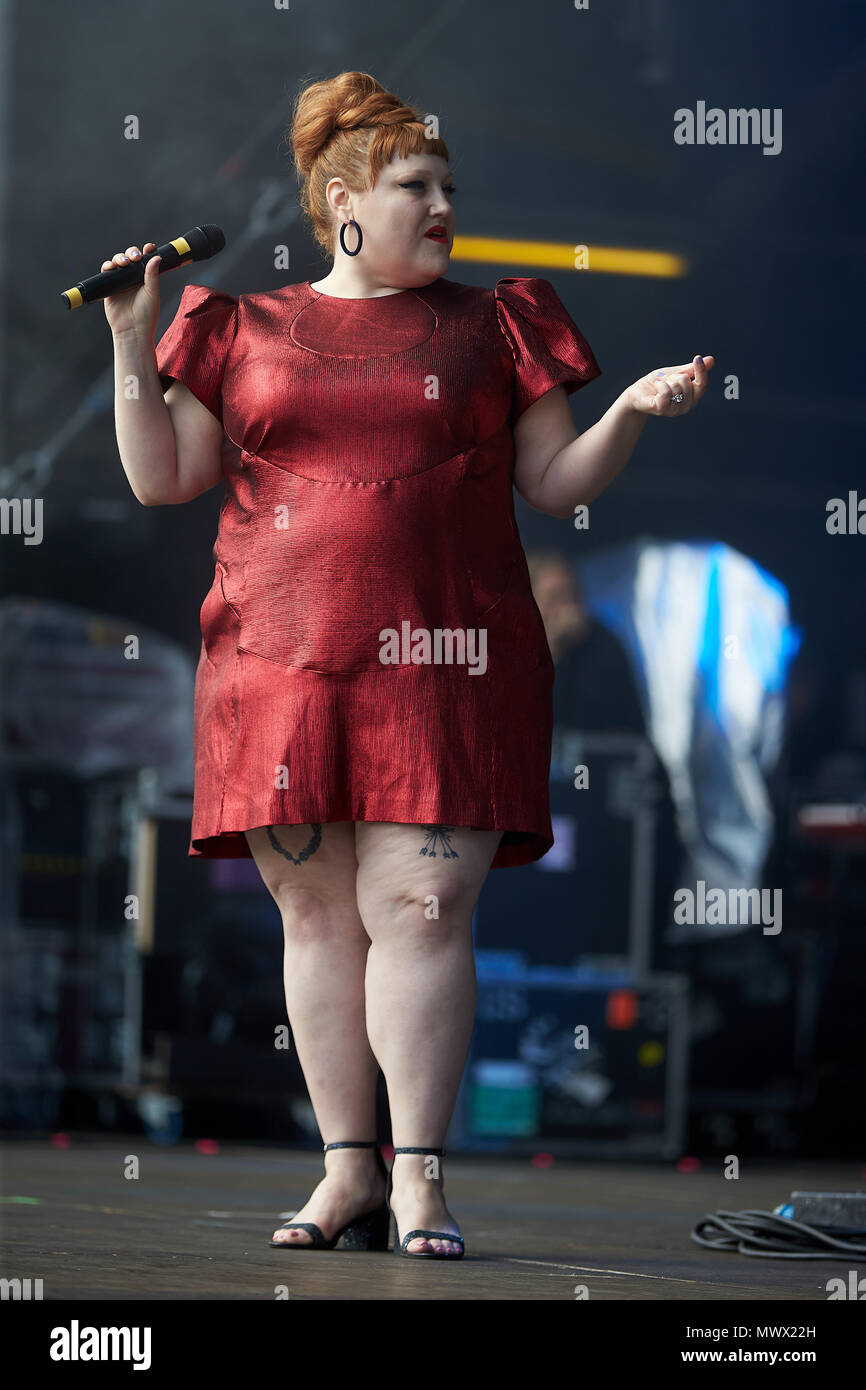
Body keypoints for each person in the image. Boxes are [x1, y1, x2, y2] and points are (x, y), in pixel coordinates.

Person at [104, 69, 714, 1260]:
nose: (442, 206)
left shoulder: (498, 324)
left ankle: (422, 1181)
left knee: (421, 910)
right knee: (318, 920)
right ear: (340, 204)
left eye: (449, 187)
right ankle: (345, 1176)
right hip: (277, 667)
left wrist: (628, 411)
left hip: (451, 668)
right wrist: (133, 340)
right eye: (414, 187)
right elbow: (159, 477)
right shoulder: (238, 326)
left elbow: (552, 484)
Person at [526, 550, 645, 732]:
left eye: (572, 595)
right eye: (555, 597)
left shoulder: (601, 641)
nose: (566, 608)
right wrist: (551, 651)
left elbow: (623, 721)